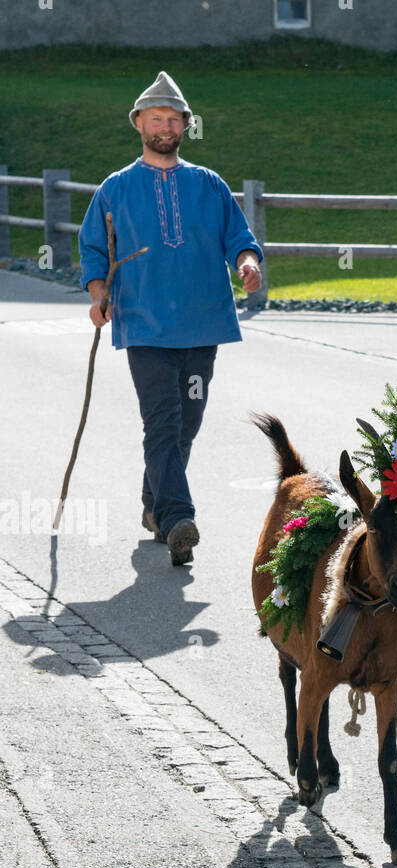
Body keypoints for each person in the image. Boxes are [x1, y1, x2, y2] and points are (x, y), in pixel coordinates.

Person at [79, 71, 263, 565]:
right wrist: (99, 294)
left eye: (173, 118)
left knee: (188, 422)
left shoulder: (209, 185)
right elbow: (95, 250)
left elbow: (239, 239)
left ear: (185, 125)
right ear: (139, 123)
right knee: (162, 422)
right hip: (144, 325)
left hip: (203, 325)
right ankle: (179, 516)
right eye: (155, 118)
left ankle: (153, 504)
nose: (165, 126)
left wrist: (247, 263)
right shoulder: (115, 189)